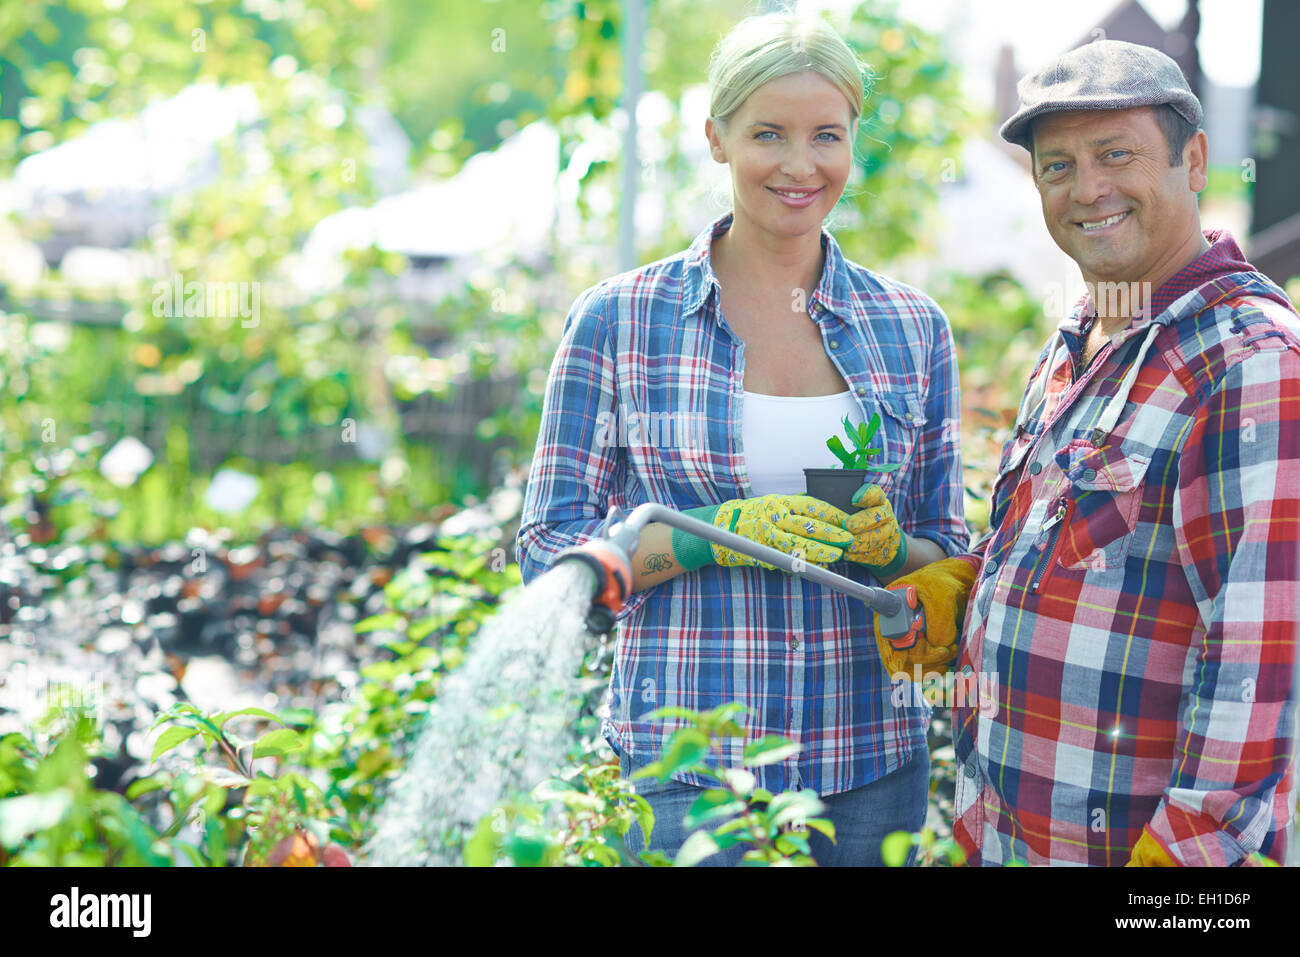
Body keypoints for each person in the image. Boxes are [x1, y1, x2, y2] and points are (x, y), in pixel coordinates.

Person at [517, 12, 967, 866]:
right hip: (690, 768)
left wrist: (898, 547)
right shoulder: (620, 321)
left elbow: (953, 552)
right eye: (769, 134)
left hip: (871, 764)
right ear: (717, 137)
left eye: (826, 136)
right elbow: (550, 558)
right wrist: (704, 540)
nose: (801, 166)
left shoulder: (912, 328)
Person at [873, 39, 1299, 866]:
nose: (1088, 188)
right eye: (1058, 166)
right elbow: (1082, 557)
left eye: (1116, 154)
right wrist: (965, 598)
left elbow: (1264, 664)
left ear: (1196, 159)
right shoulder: (1081, 340)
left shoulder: (1250, 364)